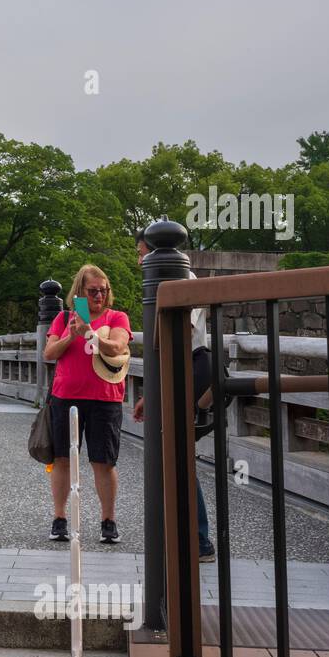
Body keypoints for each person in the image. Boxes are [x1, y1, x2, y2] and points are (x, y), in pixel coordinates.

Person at [132, 229, 215, 561]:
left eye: (141, 252)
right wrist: (151, 393)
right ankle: (187, 537)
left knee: (176, 452)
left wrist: (156, 390)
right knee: (172, 453)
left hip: (192, 367)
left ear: (157, 250)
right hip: (179, 369)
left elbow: (179, 335)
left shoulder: (183, 281)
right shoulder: (166, 283)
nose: (140, 260)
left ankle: (199, 540)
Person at [42, 264, 132, 544]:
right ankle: (59, 518)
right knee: (62, 459)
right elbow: (48, 353)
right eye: (93, 291)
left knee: (103, 461)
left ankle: (108, 520)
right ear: (79, 291)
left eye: (103, 291)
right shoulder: (65, 317)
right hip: (66, 396)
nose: (99, 296)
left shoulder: (117, 317)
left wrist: (90, 334)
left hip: (105, 398)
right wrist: (72, 334)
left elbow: (117, 347)